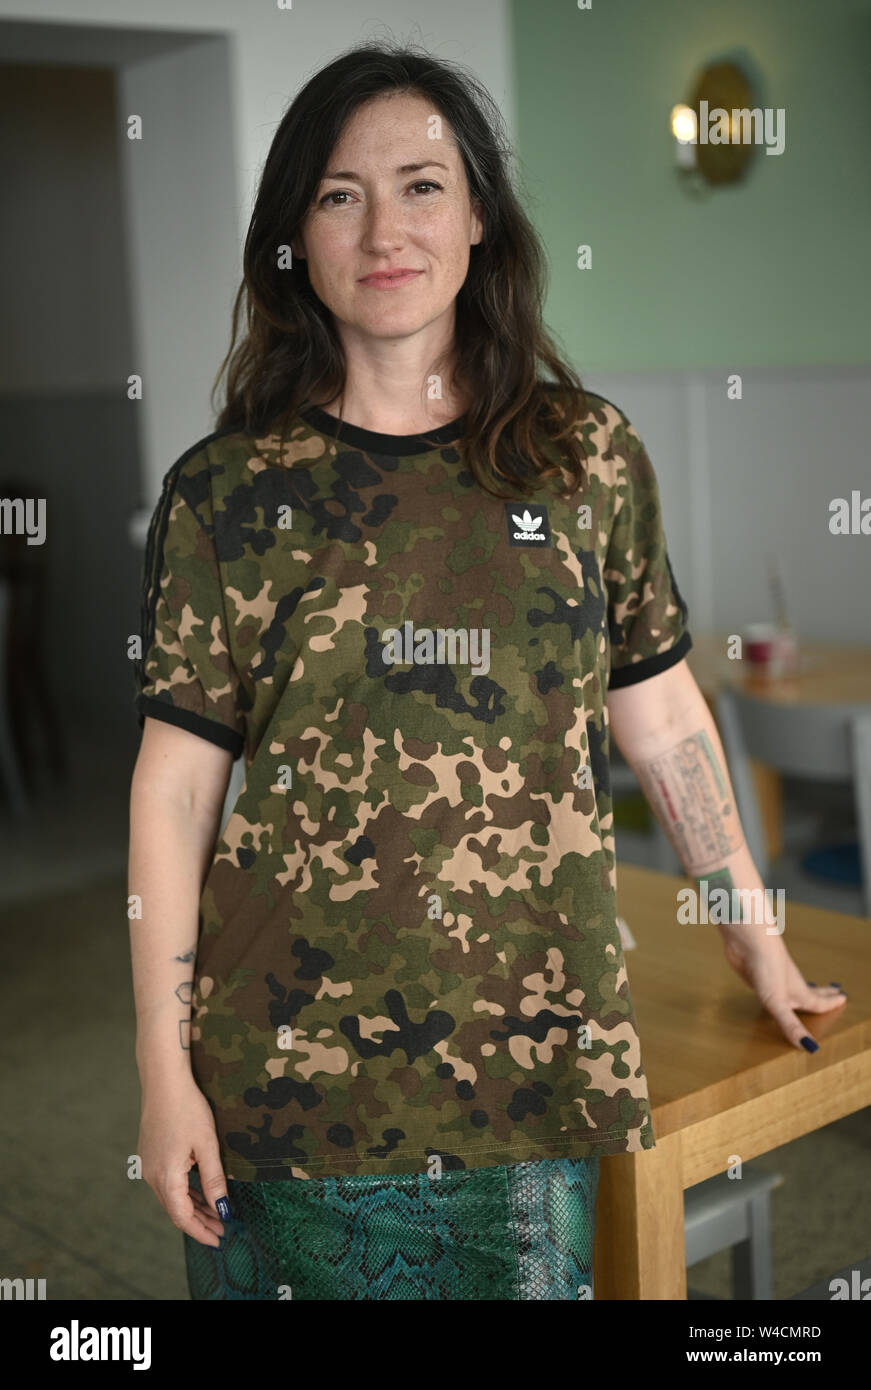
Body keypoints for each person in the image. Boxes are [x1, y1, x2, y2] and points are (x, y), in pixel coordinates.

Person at [127, 41, 847, 1302]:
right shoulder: (227, 493)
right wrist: (160, 1065)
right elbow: (174, 795)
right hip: (281, 1087)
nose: (384, 227)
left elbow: (663, 709)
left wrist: (751, 929)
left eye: (421, 184)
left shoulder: (584, 461)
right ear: (296, 233)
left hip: (525, 1075)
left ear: (477, 220)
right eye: (339, 193)